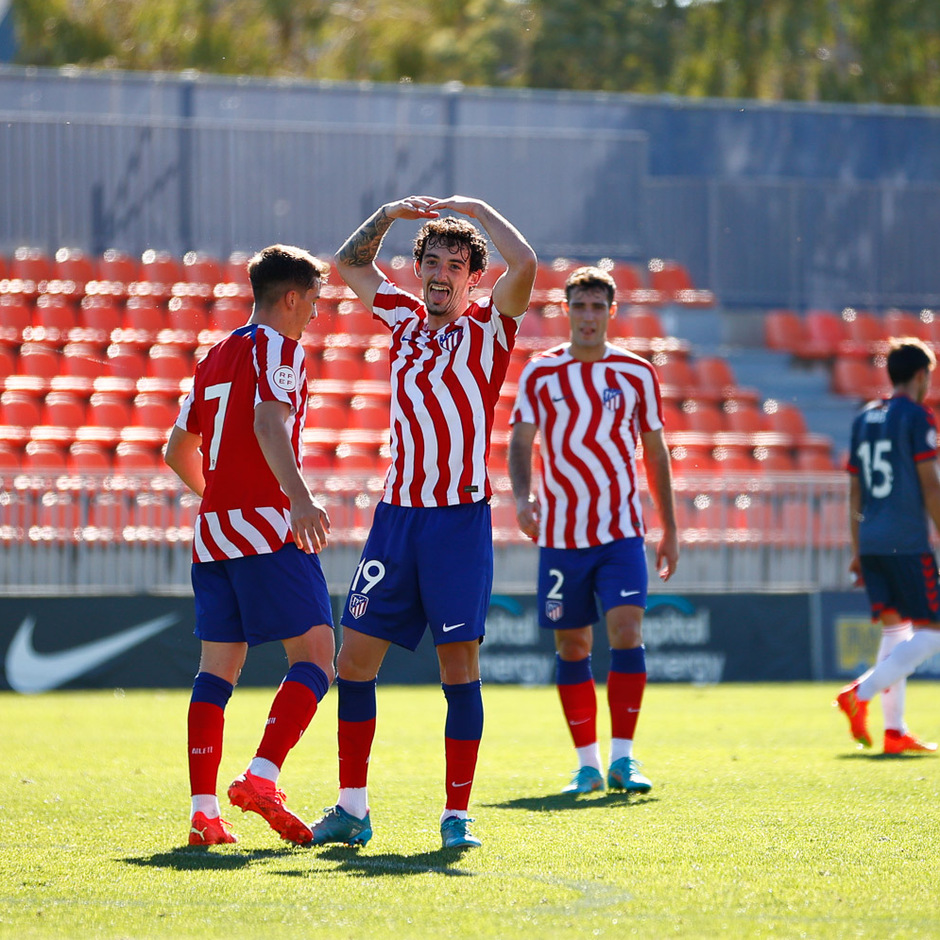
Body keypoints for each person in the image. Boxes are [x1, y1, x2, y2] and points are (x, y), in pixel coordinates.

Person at [307, 195, 536, 850]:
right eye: (430, 261)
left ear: (472, 277)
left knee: (458, 672)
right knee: (353, 663)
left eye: (455, 265)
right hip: (396, 521)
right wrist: (386, 215)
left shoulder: (491, 328)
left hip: (458, 524)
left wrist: (476, 208)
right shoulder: (403, 319)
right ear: (416, 270)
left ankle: (456, 816)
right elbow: (350, 265)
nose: (440, 273)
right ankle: (354, 809)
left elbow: (528, 263)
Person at [164, 244, 336, 846]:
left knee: (216, 672)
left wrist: (221, 496)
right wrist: (297, 497)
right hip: (267, 528)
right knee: (317, 655)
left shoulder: (214, 355)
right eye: (313, 300)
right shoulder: (280, 349)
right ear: (291, 298)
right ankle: (262, 776)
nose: (316, 312)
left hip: (213, 533)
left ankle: (203, 813)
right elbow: (268, 422)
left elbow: (175, 451)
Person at [508, 265, 679, 795]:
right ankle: (586, 763)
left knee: (627, 631)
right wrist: (521, 495)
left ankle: (623, 760)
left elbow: (655, 451)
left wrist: (670, 527)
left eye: (596, 307)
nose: (587, 316)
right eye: (578, 306)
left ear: (611, 312)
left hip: (621, 530)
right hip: (561, 537)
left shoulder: (634, 373)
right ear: (566, 311)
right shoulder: (540, 373)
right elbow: (520, 441)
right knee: (573, 646)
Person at [835, 337, 940, 753]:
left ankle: (894, 732)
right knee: (933, 634)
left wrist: (858, 549)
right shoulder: (917, 417)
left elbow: (855, 492)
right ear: (920, 376)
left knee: (897, 630)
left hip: (874, 542)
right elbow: (931, 485)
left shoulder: (864, 418)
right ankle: (857, 695)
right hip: (906, 541)